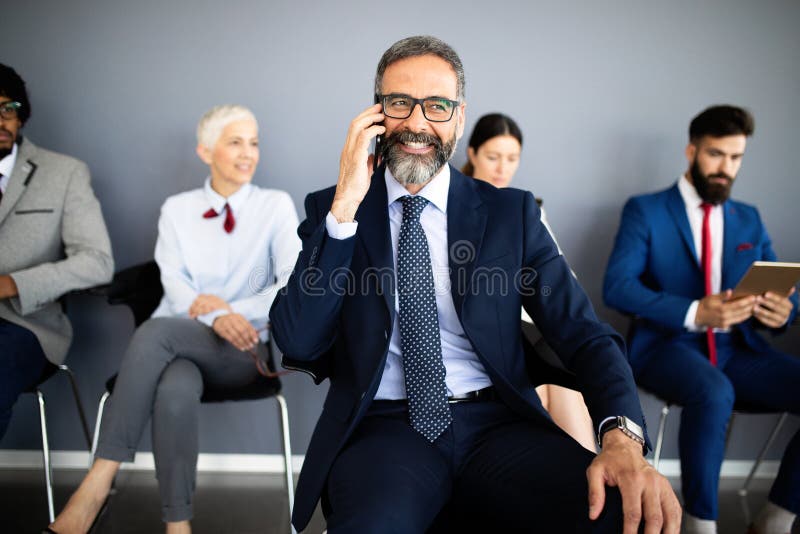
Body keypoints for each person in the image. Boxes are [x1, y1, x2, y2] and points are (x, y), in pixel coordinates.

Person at [270, 35, 680, 533]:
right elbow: (297, 339)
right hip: (384, 430)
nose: (418, 123)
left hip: (496, 425)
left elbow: (583, 333)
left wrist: (620, 435)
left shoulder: (513, 214)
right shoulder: (333, 209)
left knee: (621, 514)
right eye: (400, 103)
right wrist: (345, 208)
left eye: (437, 106)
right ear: (376, 114)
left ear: (459, 118)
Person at [48, 105, 301, 534]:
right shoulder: (177, 209)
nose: (248, 153)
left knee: (156, 331)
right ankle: (177, 524)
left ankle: (96, 483)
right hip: (179, 344)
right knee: (174, 386)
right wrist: (217, 312)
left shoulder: (275, 206)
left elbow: (290, 281)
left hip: (241, 348)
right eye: (235, 142)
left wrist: (224, 313)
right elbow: (175, 283)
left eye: (254, 142)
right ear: (205, 151)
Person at [603, 105, 799, 534]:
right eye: (715, 155)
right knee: (714, 391)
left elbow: (783, 288)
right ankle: (700, 525)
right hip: (666, 348)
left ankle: (775, 519)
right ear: (692, 151)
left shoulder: (748, 217)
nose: (725, 168)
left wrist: (785, 310)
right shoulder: (646, 210)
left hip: (736, 348)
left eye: (735, 158)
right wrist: (695, 311)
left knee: (728, 383)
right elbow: (617, 287)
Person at [462, 112, 596, 452]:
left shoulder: (527, 209)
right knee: (546, 385)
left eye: (512, 159)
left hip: (534, 330)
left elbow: (562, 280)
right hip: (491, 336)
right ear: (473, 153)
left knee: (564, 384)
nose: (502, 168)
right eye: (493, 157)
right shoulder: (453, 206)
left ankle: (587, 485)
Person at [0, 63, 114, 440]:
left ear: (21, 114)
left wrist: (12, 284)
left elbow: (97, 262)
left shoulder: (64, 173)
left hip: (26, 326)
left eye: (8, 108)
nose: (0, 119)